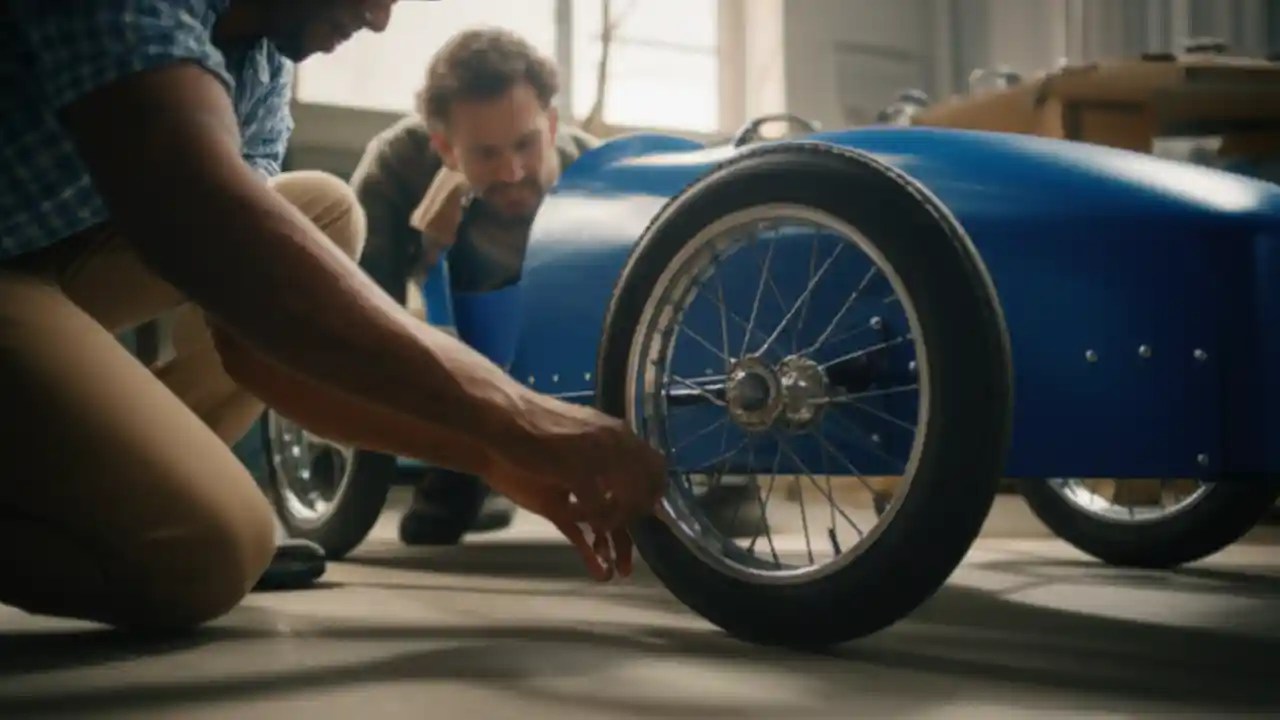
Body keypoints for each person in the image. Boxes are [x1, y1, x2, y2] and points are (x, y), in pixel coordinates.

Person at [0, 0, 666, 633]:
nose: (378, 17)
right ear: (446, 146)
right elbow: (204, 219)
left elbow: (254, 334)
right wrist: (514, 416)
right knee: (211, 552)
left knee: (319, 209)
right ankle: (148, 513)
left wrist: (487, 454)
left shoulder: (262, 69)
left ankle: (104, 488)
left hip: (37, 252)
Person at [350, 28, 599, 546]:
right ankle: (460, 473)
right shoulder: (397, 162)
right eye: (486, 154)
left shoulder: (598, 176)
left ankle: (483, 478)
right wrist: (428, 243)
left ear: (551, 125)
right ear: (444, 146)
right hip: (437, 335)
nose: (512, 171)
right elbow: (361, 306)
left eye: (527, 144)